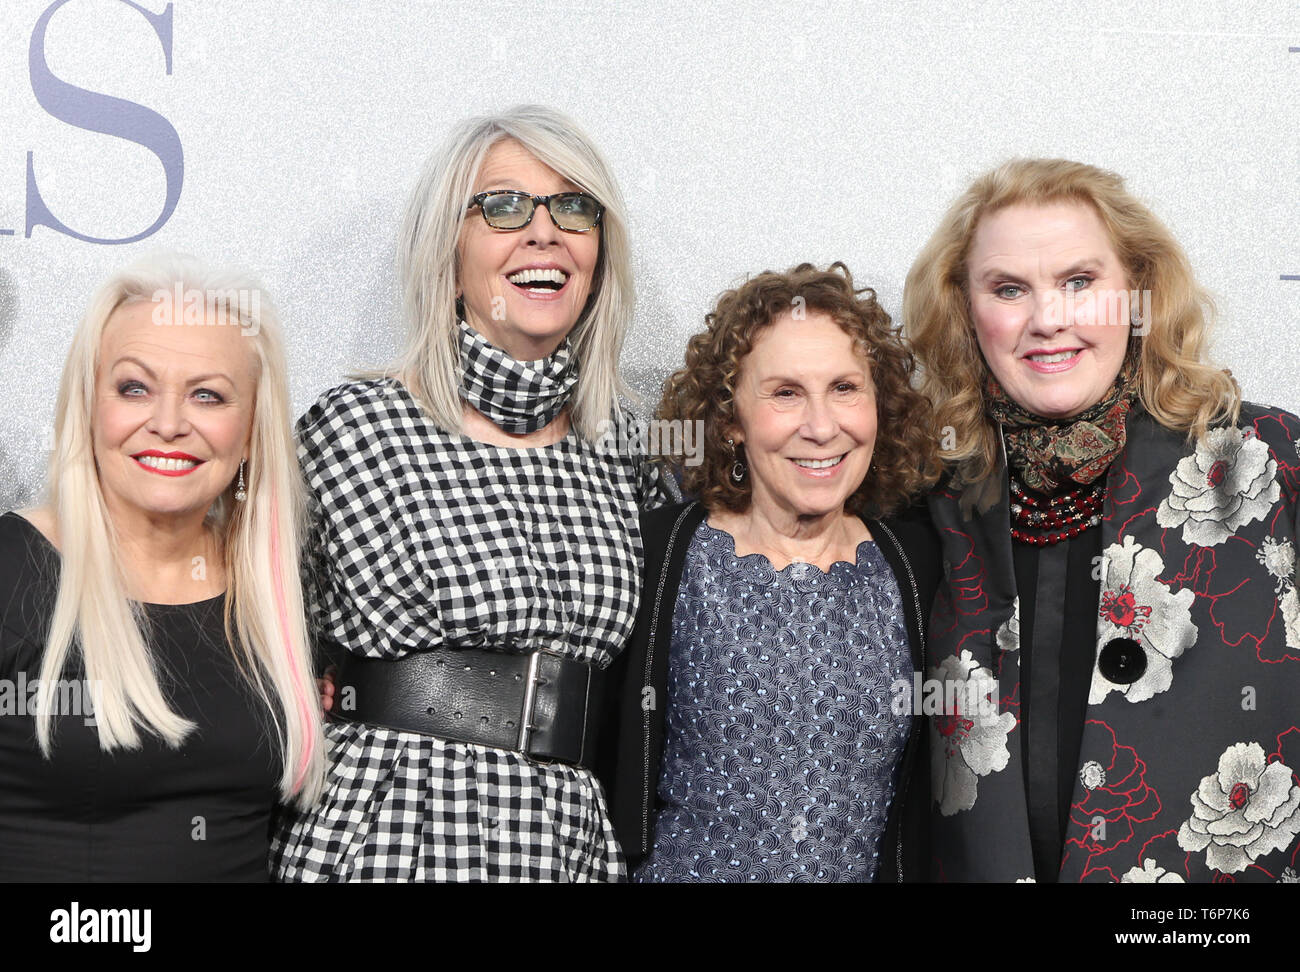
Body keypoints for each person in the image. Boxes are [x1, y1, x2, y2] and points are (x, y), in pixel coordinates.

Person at [271, 105, 670, 882]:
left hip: (566, 839)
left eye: (574, 207)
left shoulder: (628, 449)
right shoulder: (355, 429)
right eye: (503, 205)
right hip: (385, 828)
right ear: (447, 252)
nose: (544, 232)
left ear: (599, 252)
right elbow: (247, 642)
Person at [904, 158, 1300, 883]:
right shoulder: (922, 496)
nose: (1048, 318)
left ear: (1139, 295)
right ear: (965, 310)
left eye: (1079, 282)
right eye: (1008, 288)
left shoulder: (1272, 465)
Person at [601, 263, 943, 882]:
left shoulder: (921, 565)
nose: (820, 426)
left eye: (845, 388)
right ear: (731, 419)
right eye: (785, 393)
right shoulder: (657, 553)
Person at [0, 253, 325, 881]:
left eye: (208, 395)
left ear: (253, 431)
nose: (169, 424)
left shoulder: (272, 594)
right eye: (134, 388)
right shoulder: (11, 567)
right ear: (89, 407)